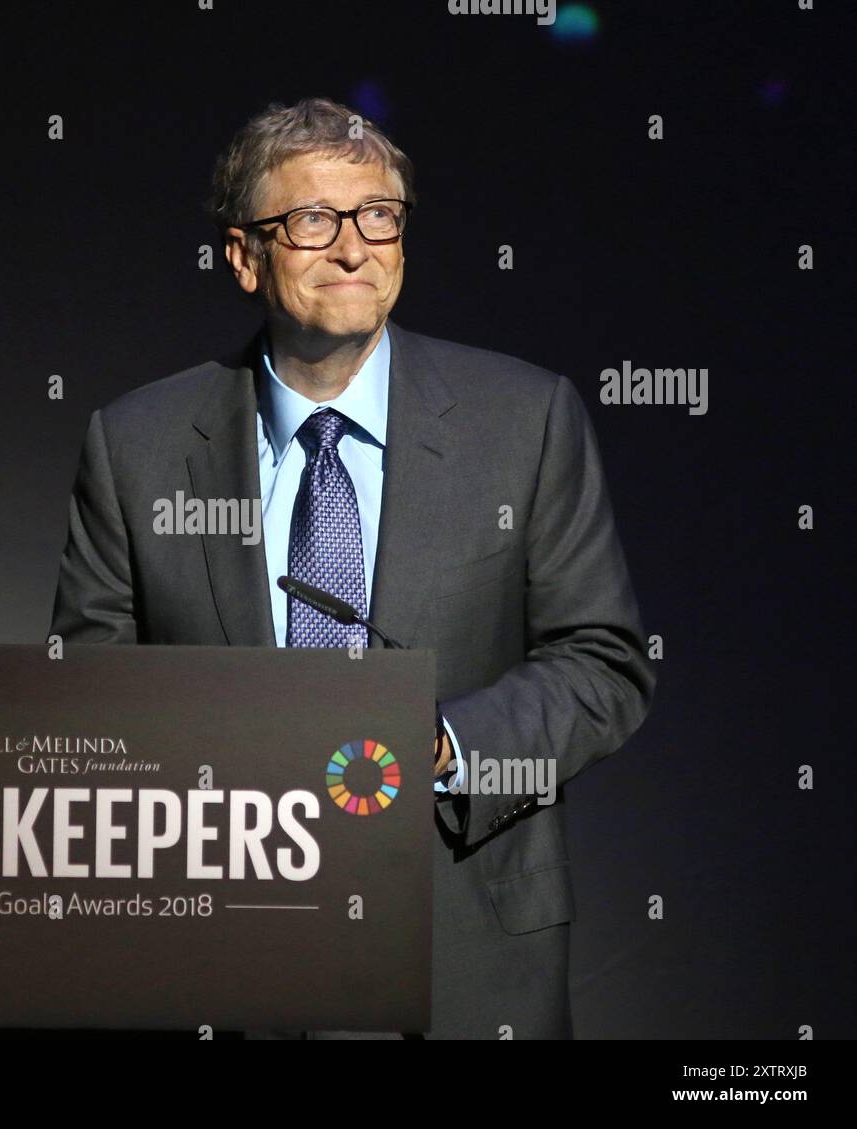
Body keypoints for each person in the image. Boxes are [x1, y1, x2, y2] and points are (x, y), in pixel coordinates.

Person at [50, 96, 656, 1039]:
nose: (352, 249)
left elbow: (604, 661)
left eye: (378, 215)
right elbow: (89, 696)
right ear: (244, 256)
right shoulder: (138, 444)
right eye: (311, 221)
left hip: (462, 947)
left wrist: (446, 746)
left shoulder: (524, 420)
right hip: (221, 953)